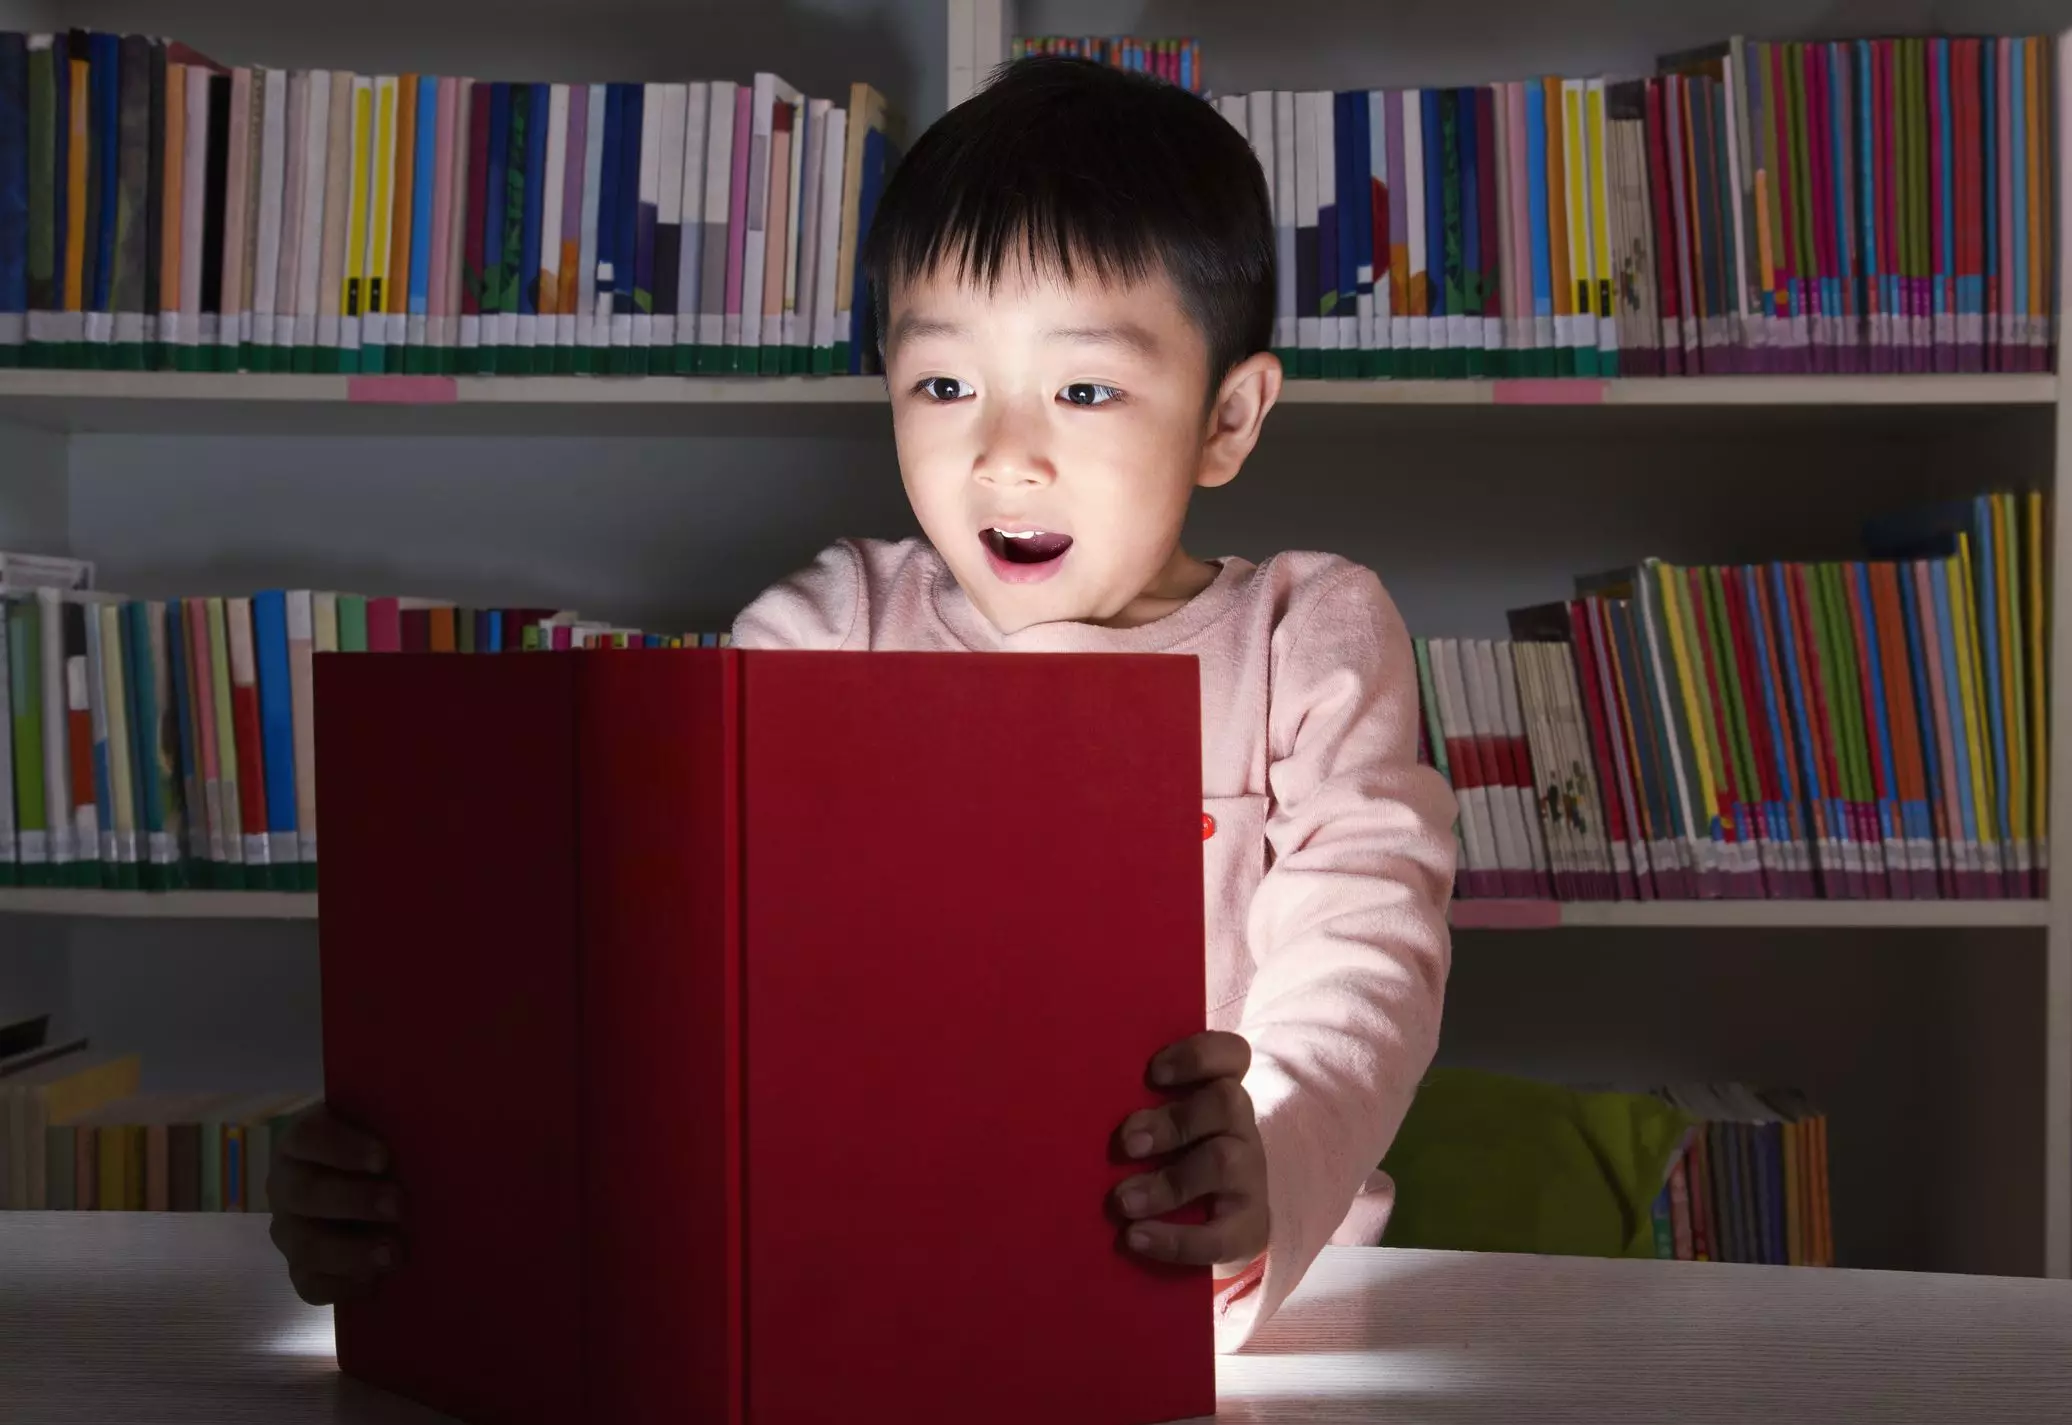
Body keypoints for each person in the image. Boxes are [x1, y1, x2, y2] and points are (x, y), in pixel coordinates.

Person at [269, 53, 1458, 1353]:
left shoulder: (1307, 633)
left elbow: (1364, 956)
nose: (1002, 451)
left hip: (1216, 1290)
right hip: (866, 1281)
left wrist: (1263, 1175)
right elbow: (658, 970)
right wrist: (429, 1171)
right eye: (943, 386)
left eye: (1085, 388)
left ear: (1228, 418)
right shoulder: (830, 627)